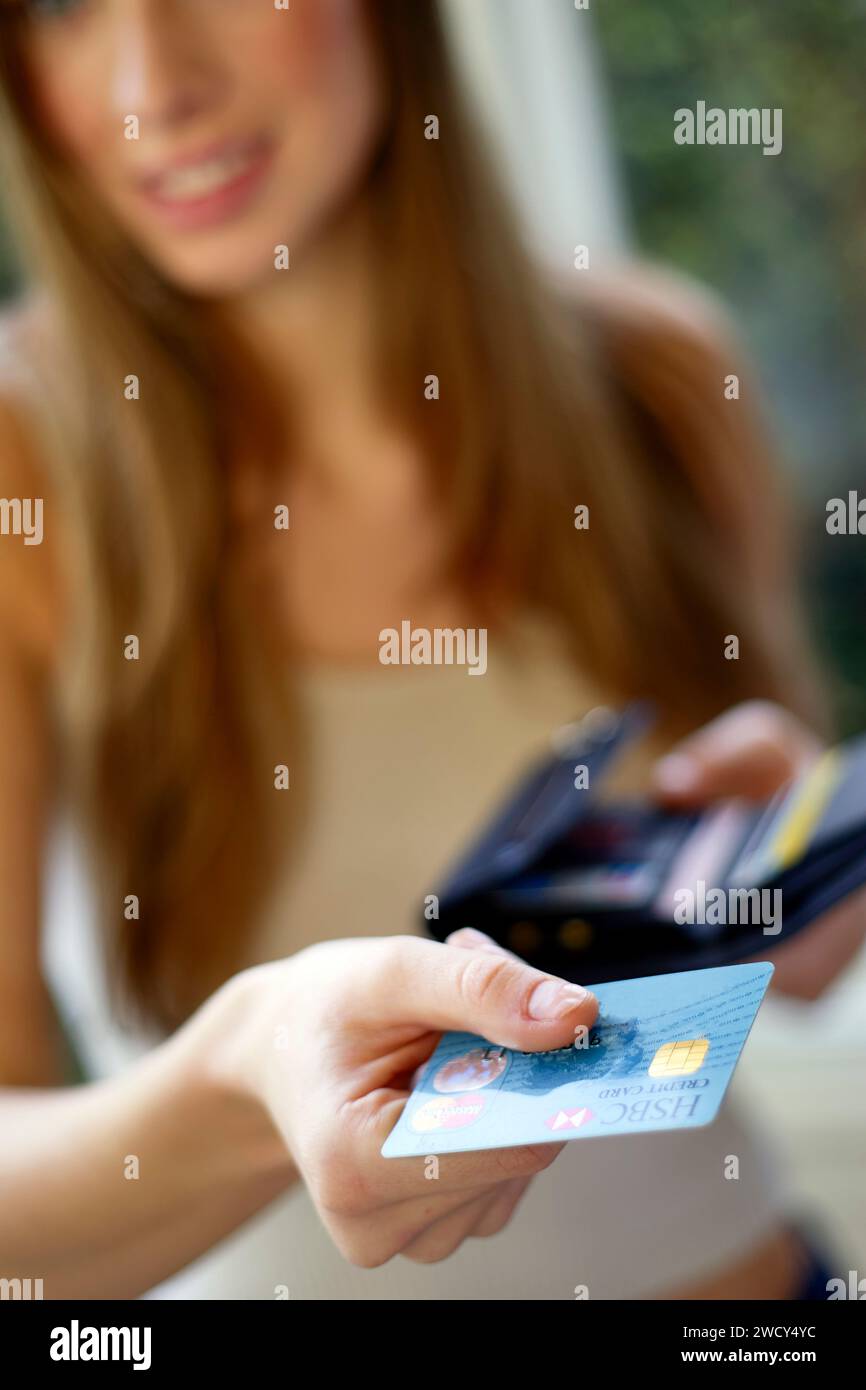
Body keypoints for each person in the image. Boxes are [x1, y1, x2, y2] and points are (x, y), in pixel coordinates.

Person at [0, 0, 861, 1300]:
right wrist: (248, 1072)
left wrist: (787, 892)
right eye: (64, 4)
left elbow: (782, 969)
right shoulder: (28, 477)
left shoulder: (661, 382)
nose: (151, 84)